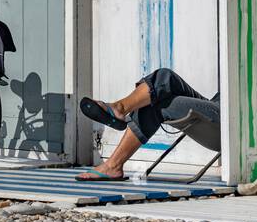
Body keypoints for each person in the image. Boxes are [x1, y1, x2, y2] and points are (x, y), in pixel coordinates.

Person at [76, 68, 217, 181]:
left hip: (226, 120)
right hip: (216, 107)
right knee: (164, 77)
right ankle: (119, 110)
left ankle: (119, 111)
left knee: (154, 101)